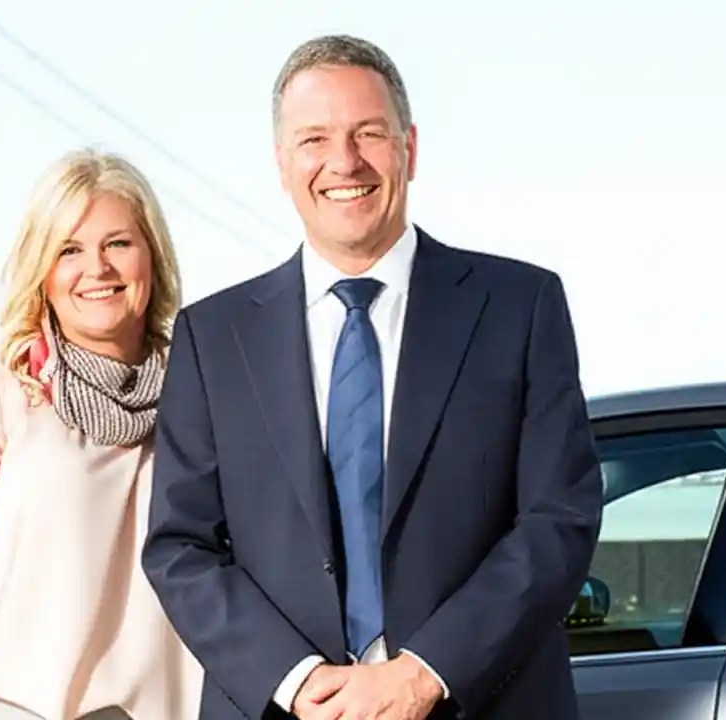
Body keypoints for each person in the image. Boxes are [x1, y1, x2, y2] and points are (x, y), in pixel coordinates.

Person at [142, 35, 603, 720]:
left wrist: (424, 672)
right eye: (314, 139)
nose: (344, 162)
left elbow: (557, 518)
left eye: (368, 133)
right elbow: (180, 547)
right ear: (281, 162)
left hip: (478, 702)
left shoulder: (518, 307)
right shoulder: (214, 336)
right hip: (286, 708)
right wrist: (298, 681)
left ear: (409, 147)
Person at [0, 148, 203, 720]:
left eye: (118, 244)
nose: (98, 269)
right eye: (70, 251)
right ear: (42, 272)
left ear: (152, 257)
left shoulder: (201, 401)